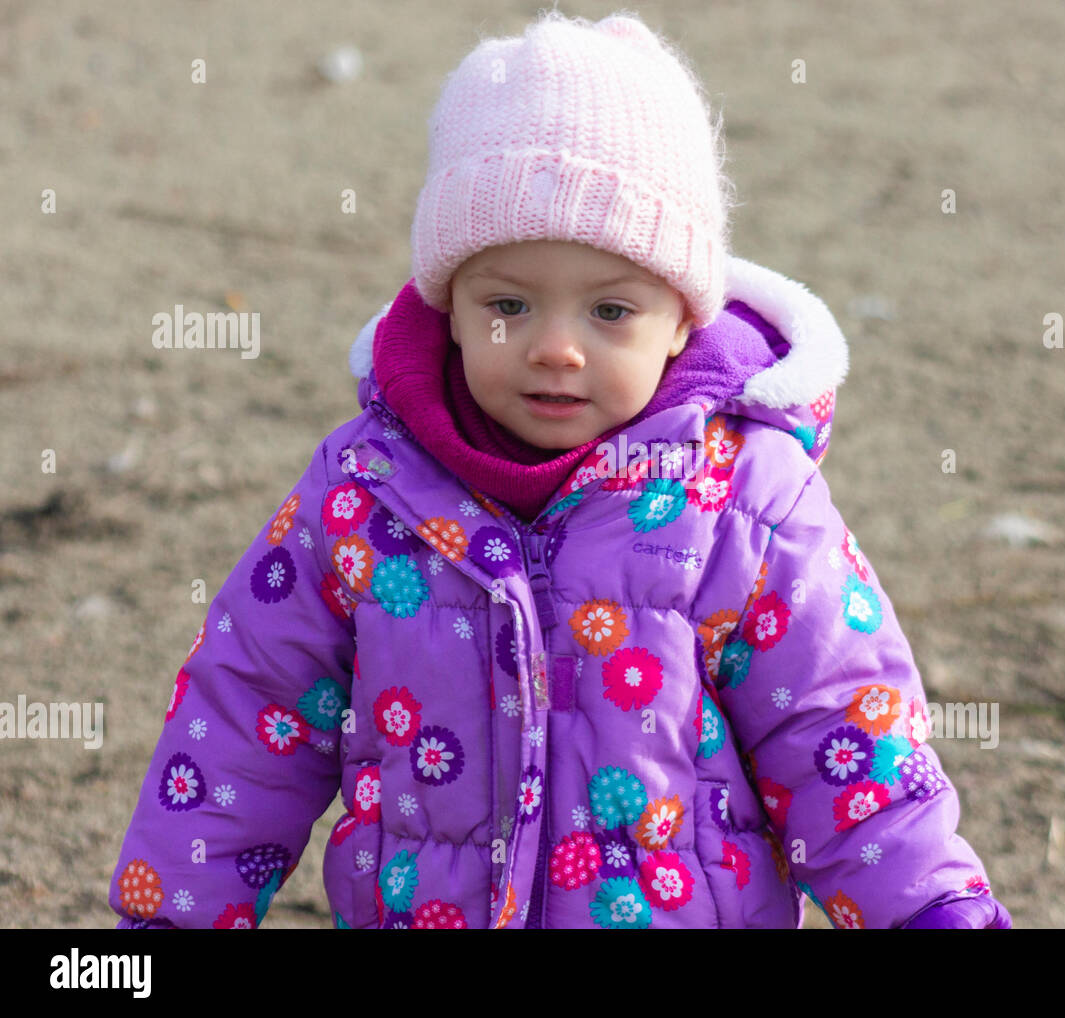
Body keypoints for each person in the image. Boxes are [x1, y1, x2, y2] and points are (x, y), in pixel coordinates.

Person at [110, 9, 1010, 930]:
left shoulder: (740, 507)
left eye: (611, 311)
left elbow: (836, 729)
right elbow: (246, 713)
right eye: (508, 303)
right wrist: (173, 914)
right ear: (448, 308)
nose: (556, 349)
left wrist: (930, 909)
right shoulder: (363, 499)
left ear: (682, 322)